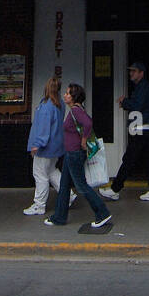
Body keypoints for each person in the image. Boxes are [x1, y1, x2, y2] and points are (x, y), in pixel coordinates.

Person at [45, 83, 112, 231]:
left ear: (74, 97)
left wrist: (83, 140)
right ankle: (59, 217)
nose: (65, 95)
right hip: (71, 153)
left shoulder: (75, 110)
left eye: (68, 93)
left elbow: (88, 123)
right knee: (64, 186)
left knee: (81, 185)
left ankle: (102, 212)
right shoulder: (76, 110)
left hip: (75, 153)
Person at [99, 61, 149, 202]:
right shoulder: (141, 87)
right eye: (130, 71)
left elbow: (137, 105)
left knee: (129, 158)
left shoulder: (143, 87)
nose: (131, 73)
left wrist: (125, 101)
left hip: (142, 129)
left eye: (134, 71)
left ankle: (115, 189)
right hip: (143, 128)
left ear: (141, 73)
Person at [24, 76, 72, 216]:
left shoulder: (46, 105)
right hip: (56, 146)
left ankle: (39, 205)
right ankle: (68, 195)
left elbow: (44, 128)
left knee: (40, 175)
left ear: (46, 88)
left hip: (45, 147)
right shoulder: (60, 104)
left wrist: (37, 144)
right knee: (51, 171)